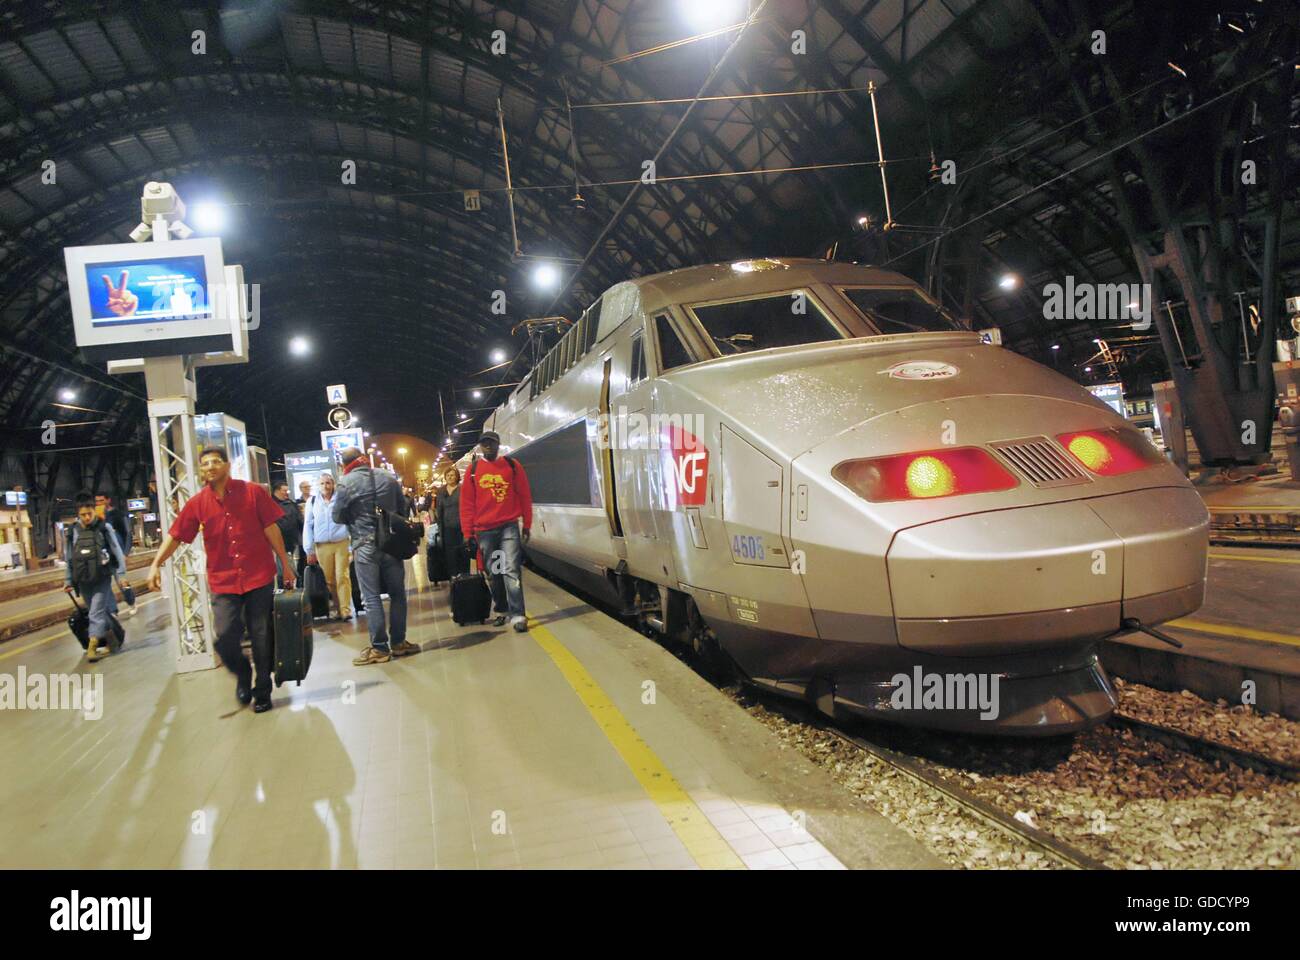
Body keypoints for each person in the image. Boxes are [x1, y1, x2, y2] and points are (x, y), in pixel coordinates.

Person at [147, 447, 296, 714]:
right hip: (223, 580)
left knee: (261, 634)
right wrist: (156, 564)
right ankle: (242, 672)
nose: (211, 466)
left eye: (216, 461)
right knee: (226, 635)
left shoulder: (253, 492)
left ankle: (263, 690)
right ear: (201, 470)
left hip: (258, 574)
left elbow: (271, 528)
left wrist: (285, 564)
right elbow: (176, 535)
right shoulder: (198, 503)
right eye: (205, 463)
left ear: (227, 466)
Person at [333, 446, 420, 664]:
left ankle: (380, 648)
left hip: (364, 545)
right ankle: (398, 642)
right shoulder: (387, 476)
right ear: (363, 458)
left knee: (371, 597)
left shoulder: (345, 482)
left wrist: (356, 517)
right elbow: (402, 508)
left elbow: (337, 516)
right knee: (397, 594)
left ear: (344, 464)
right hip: (390, 543)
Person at [460, 431, 533, 632]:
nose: (488, 446)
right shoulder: (473, 470)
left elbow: (524, 495)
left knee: (511, 569)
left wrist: (527, 523)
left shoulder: (512, 465)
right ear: (480, 446)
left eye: (491, 443)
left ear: (498, 444)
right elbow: (467, 504)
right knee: (494, 572)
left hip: (508, 526)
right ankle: (501, 608)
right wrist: (467, 533)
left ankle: (518, 614)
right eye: (484, 443)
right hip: (484, 530)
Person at [64, 492, 127, 663]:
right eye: (82, 514)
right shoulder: (72, 531)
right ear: (78, 513)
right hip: (83, 579)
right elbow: (69, 557)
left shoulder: (104, 528)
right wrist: (68, 580)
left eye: (89, 513)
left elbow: (116, 551)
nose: (86, 517)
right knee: (99, 611)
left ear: (94, 510)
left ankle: (92, 646)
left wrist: (121, 575)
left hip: (102, 577)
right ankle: (113, 639)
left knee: (95, 612)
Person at [303, 472, 352, 621]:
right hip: (322, 545)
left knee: (342, 576)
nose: (325, 486)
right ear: (318, 486)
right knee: (329, 580)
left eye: (328, 483)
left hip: (341, 542)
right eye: (322, 483)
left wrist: (352, 545)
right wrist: (309, 549)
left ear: (333, 484)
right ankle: (337, 608)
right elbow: (308, 525)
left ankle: (345, 609)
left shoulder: (341, 499)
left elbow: (349, 520)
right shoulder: (312, 502)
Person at [435, 465, 469, 580]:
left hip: (461, 527)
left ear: (457, 477)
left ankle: (465, 577)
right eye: (448, 475)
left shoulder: (462, 489)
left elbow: (467, 508)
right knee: (450, 554)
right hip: (447, 528)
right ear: (445, 477)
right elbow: (438, 510)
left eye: (452, 475)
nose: (450, 477)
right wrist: (439, 527)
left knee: (463, 552)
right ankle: (453, 578)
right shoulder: (441, 491)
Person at [272, 481, 302, 585]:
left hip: (292, 542)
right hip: (278, 543)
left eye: (287, 491)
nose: (287, 493)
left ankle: (291, 587)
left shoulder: (291, 504)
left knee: (289, 566)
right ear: (276, 491)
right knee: (285, 568)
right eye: (284, 490)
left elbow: (299, 520)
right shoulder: (270, 505)